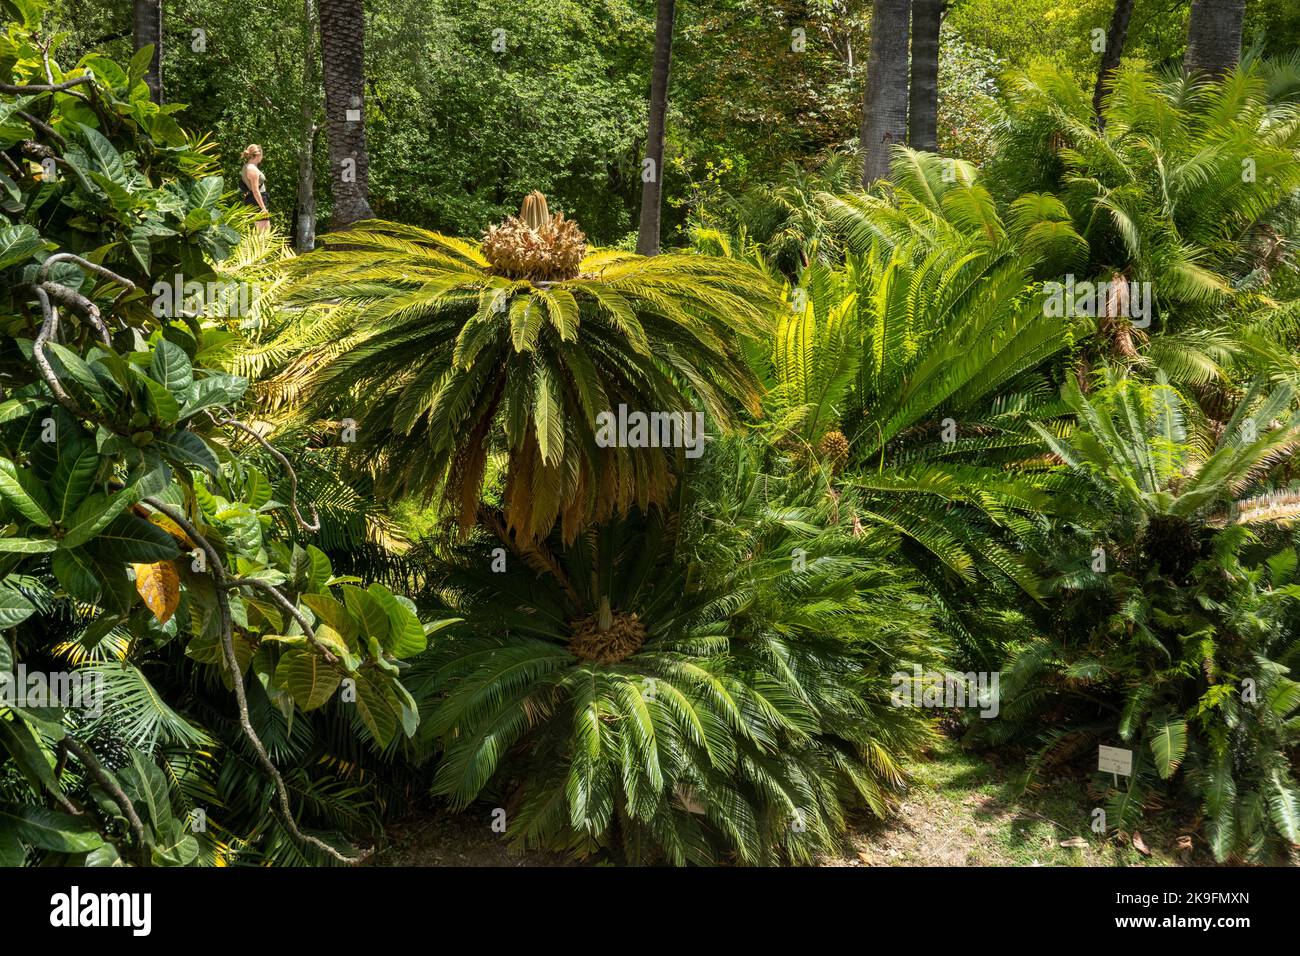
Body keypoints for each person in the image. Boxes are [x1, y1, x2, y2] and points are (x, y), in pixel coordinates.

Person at [240, 144, 270, 232]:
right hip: (258, 200)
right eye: (262, 154)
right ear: (258, 155)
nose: (262, 157)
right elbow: (256, 191)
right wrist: (263, 208)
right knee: (265, 232)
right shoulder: (252, 169)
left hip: (253, 199)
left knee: (261, 232)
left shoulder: (246, 166)